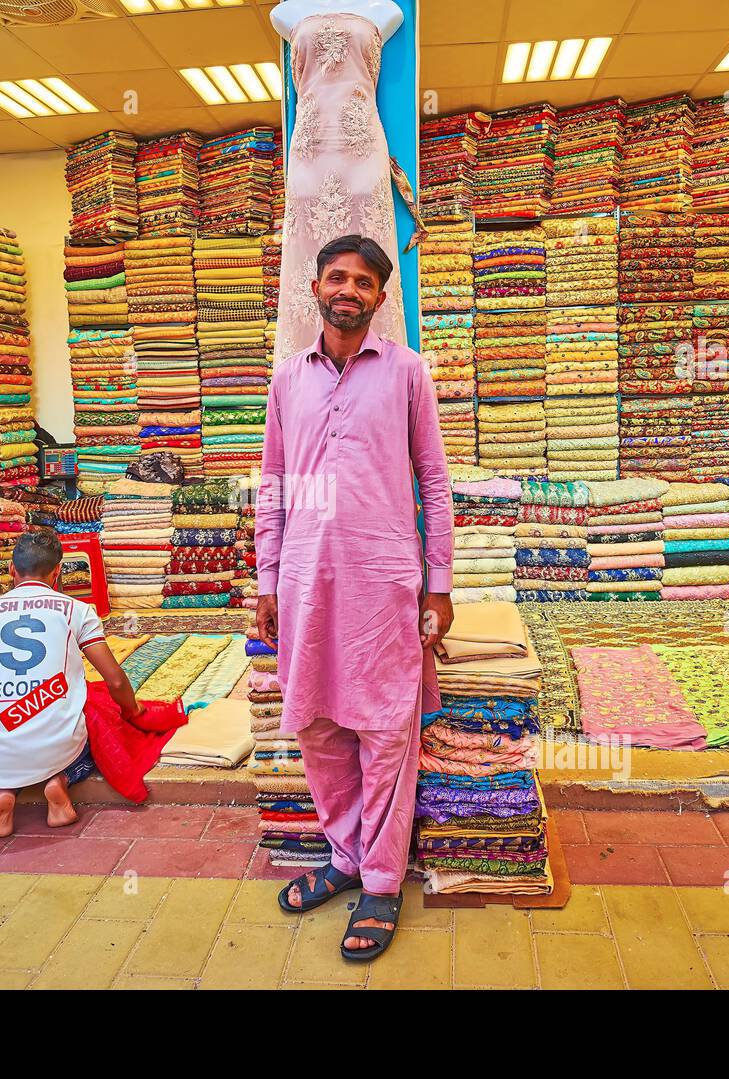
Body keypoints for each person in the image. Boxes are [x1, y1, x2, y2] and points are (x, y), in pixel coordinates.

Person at [256, 233, 453, 961]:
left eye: (364, 281)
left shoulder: (406, 373)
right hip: (308, 579)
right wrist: (268, 579)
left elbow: (433, 482)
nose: (348, 289)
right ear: (315, 287)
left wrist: (440, 584)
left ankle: (380, 878)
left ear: (378, 296)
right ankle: (343, 854)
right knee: (314, 721)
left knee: (384, 730)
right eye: (337, 276)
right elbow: (273, 486)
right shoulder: (287, 380)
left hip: (382, 579)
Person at [0, 528, 143, 840]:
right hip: (59, 746)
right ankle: (59, 783)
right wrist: (132, 712)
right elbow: (115, 680)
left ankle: (1, 794)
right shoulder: (77, 611)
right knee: (96, 723)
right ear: (57, 572)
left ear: (12, 570)